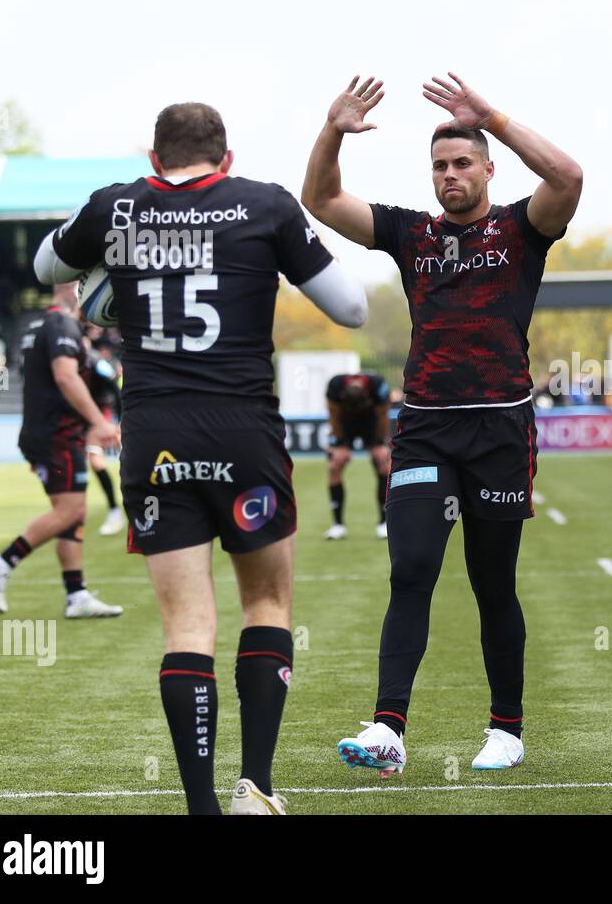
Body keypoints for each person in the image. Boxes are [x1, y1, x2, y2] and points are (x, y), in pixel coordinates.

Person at [33, 102, 367, 815]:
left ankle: (200, 808)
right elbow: (352, 309)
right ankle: (257, 787)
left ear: (154, 160)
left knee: (188, 627)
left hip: (154, 435)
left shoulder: (116, 207)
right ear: (229, 158)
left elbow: (44, 264)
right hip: (243, 431)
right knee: (267, 603)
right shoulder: (264, 204)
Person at [303, 74, 582, 775]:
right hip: (425, 427)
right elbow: (320, 200)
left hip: (499, 429)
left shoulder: (521, 227)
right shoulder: (410, 232)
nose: (450, 174)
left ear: (488, 168)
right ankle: (388, 729)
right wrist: (334, 129)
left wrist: (494, 117)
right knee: (412, 570)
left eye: (463, 163)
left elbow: (569, 176)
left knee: (493, 584)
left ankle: (507, 729)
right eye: (440, 166)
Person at [0, 283, 124, 619]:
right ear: (74, 290)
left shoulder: (40, 326)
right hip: (58, 437)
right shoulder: (62, 325)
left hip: (49, 435)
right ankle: (0, 563)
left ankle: (77, 595)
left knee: (74, 512)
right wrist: (97, 423)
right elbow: (65, 377)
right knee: (70, 511)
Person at [323, 370, 392, 540]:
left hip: (372, 422)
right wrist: (339, 444)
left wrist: (380, 443)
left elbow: (383, 415)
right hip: (345, 424)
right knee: (334, 466)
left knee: (384, 465)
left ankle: (384, 523)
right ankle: (337, 525)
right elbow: (333, 414)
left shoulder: (378, 385)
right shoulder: (335, 384)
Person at [84, 334, 126, 536]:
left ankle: (115, 511)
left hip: (102, 413)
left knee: (96, 460)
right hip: (83, 415)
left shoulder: (95, 360)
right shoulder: (64, 360)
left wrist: (119, 420)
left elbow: (113, 387)